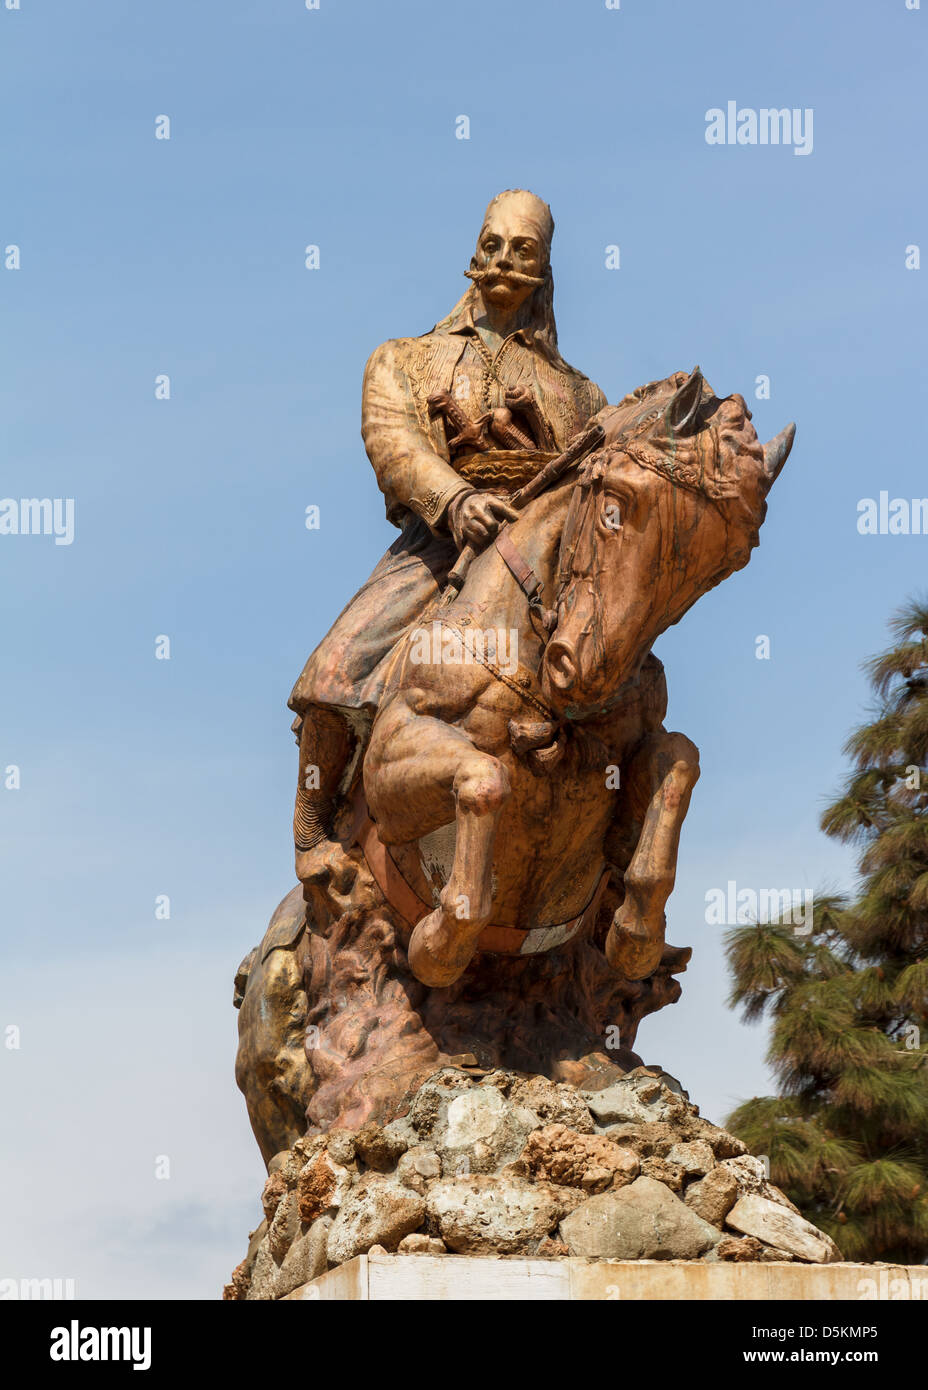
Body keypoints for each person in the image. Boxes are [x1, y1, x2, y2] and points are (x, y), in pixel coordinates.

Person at [289, 189, 606, 884]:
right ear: (472, 254)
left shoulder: (582, 396)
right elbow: (393, 440)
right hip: (441, 548)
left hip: (548, 563)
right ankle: (312, 822)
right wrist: (455, 500)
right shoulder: (405, 358)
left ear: (543, 270)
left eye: (521, 251)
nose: (501, 260)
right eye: (491, 245)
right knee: (339, 662)